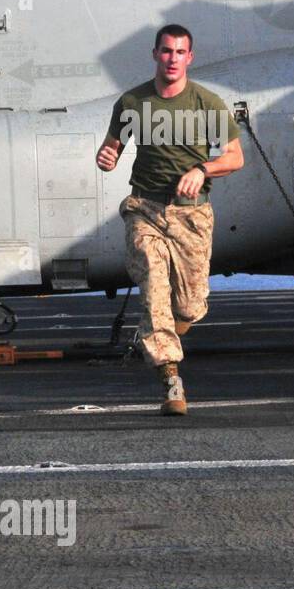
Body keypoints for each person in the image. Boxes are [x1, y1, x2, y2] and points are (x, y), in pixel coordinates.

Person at [95, 23, 244, 415]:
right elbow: (111, 150)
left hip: (191, 216)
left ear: (189, 58)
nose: (172, 59)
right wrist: (105, 158)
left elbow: (235, 157)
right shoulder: (132, 103)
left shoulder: (207, 104)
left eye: (180, 52)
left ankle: (165, 336)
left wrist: (203, 170)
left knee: (191, 306)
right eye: (166, 51)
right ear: (155, 54)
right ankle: (171, 382)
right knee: (154, 288)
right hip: (145, 210)